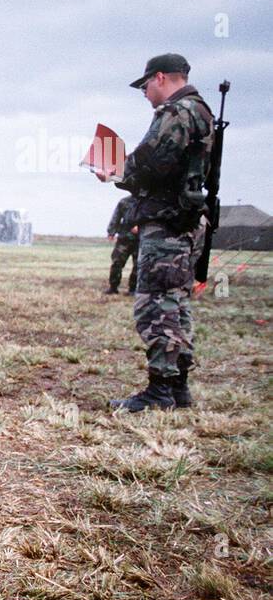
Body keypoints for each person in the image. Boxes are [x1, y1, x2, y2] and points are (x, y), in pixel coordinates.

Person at [94, 53, 214, 411]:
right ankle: (178, 387)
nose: (145, 93)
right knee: (176, 304)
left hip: (168, 223)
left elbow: (149, 165)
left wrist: (112, 171)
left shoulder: (177, 113)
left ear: (160, 77)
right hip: (186, 220)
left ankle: (160, 392)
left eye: (145, 85)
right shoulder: (201, 111)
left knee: (156, 306)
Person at [105, 195, 139, 295]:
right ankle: (113, 287)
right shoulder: (124, 202)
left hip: (141, 239)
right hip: (124, 238)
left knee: (138, 264)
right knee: (117, 262)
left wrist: (140, 226)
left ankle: (133, 289)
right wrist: (111, 232)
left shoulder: (147, 203)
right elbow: (116, 216)